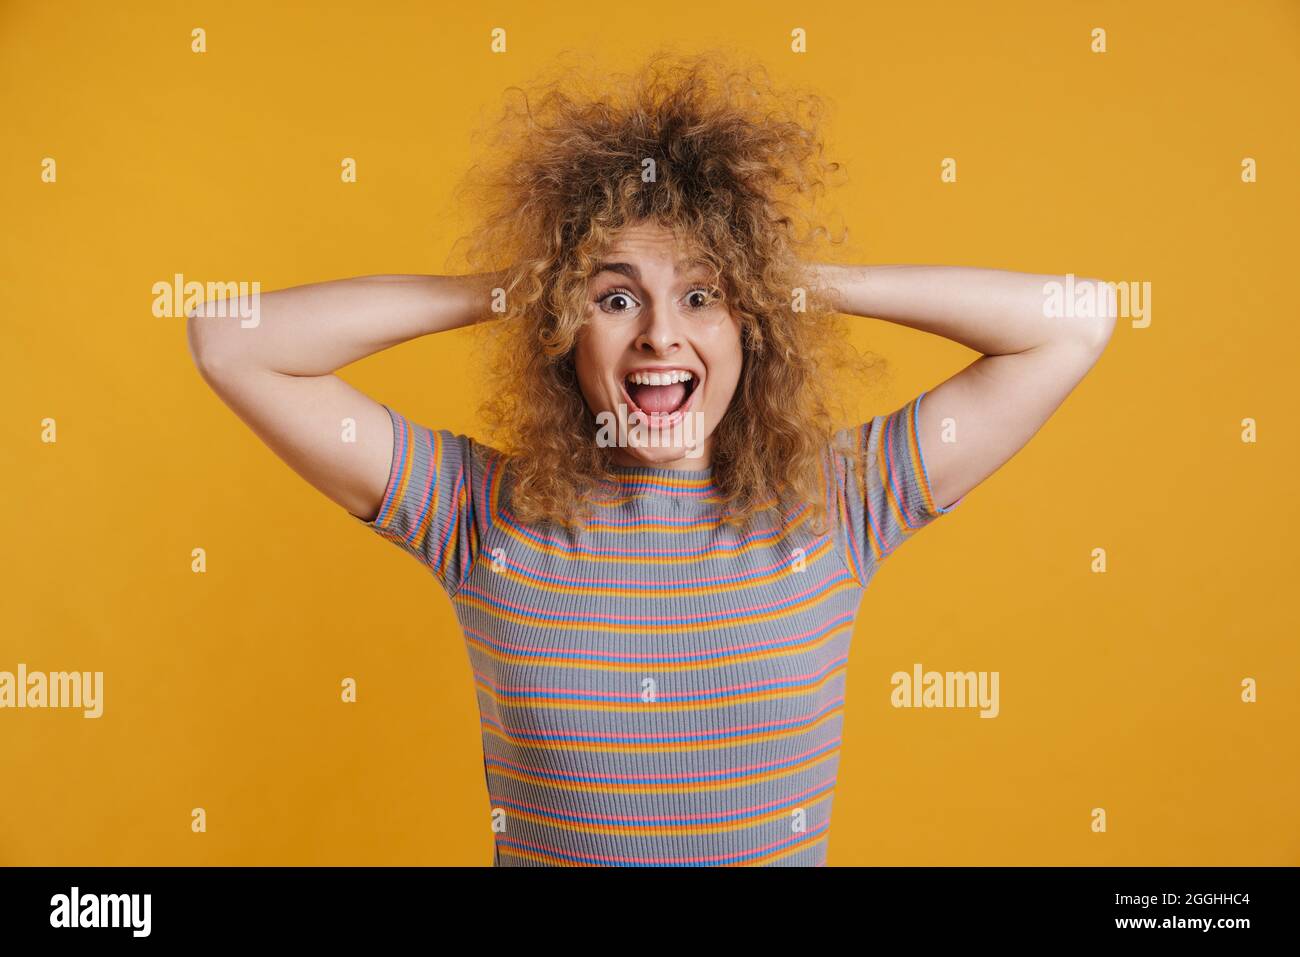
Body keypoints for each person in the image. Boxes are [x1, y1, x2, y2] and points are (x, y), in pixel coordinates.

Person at [185, 53, 1115, 866]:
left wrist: (795, 280)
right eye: (616, 298)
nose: (661, 335)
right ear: (563, 328)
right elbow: (231, 340)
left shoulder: (836, 504)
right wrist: (511, 286)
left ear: (750, 326)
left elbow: (1075, 322)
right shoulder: (477, 514)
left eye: (703, 295)